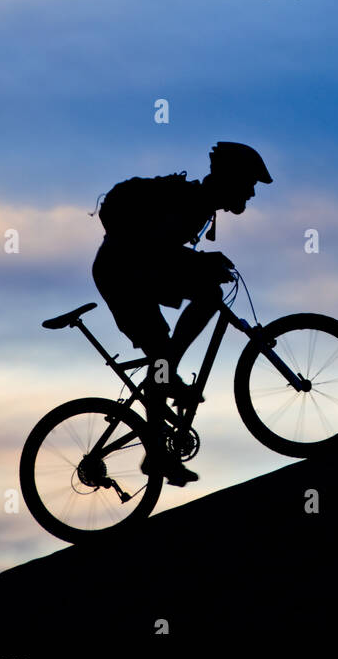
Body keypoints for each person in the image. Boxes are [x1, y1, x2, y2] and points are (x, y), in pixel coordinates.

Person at [92, 142, 271, 486]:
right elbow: (155, 248)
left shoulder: (199, 205)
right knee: (164, 350)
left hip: (131, 272)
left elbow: (161, 253)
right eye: (248, 184)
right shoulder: (192, 203)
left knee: (205, 297)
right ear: (232, 179)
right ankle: (158, 449)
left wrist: (202, 262)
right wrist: (204, 262)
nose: (250, 193)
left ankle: (168, 373)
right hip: (122, 274)